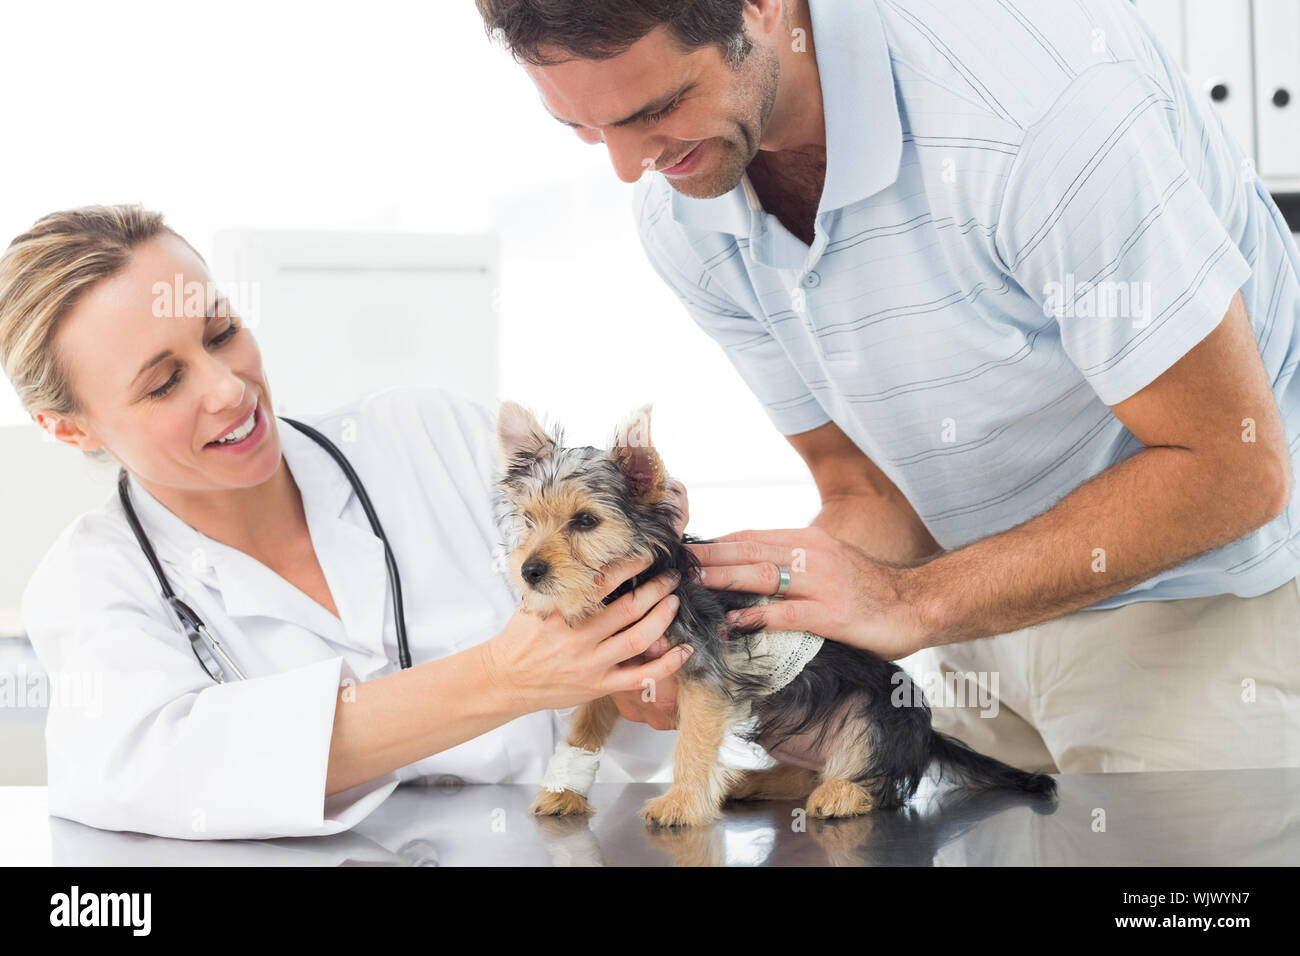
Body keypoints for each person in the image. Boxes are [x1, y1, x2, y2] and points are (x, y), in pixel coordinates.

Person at [476, 0, 1300, 772]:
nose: (630, 167)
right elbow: (867, 489)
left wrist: (912, 604)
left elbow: (1234, 467)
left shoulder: (1035, 112)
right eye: (584, 128)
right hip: (981, 625)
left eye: (655, 108)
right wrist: (741, 637)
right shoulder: (689, 207)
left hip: (1214, 614)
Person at [0, 204, 692, 840]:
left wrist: (656, 642)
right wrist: (502, 677)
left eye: (222, 332)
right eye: (163, 383)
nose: (228, 387)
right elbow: (156, 767)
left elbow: (641, 704)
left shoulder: (429, 438)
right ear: (66, 430)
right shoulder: (89, 581)